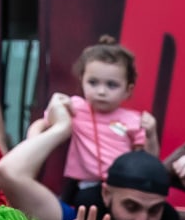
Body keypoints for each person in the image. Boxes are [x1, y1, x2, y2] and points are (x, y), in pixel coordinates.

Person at [60, 37, 155, 204]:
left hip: (120, 187)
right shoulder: (75, 107)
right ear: (82, 81)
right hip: (82, 185)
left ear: (128, 90)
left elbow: (149, 161)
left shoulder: (134, 120)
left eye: (112, 85)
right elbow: (47, 122)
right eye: (93, 82)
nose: (101, 91)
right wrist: (58, 106)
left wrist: (151, 134)